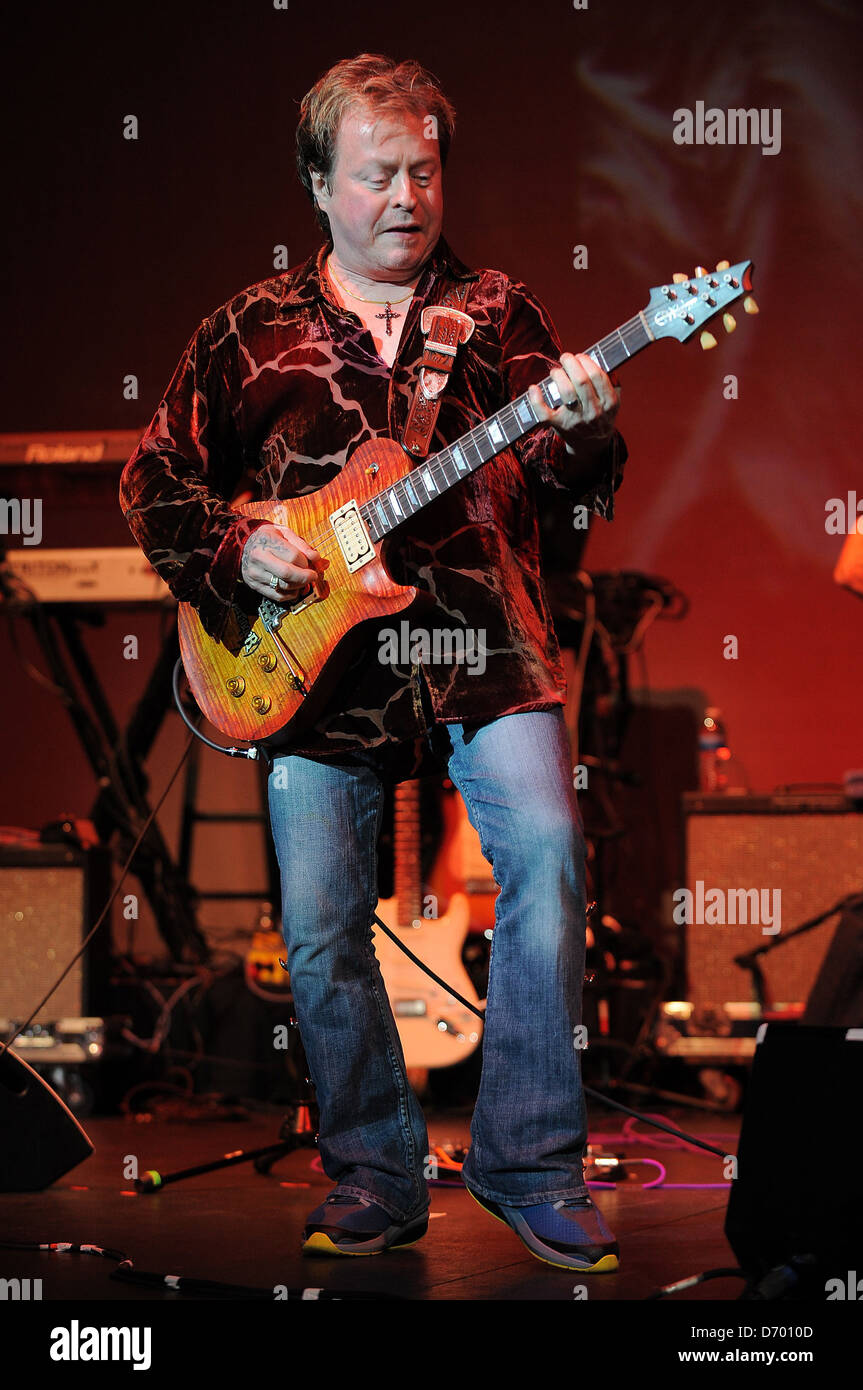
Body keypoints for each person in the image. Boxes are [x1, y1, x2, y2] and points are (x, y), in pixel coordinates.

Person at [120, 53, 627, 1273]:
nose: (406, 195)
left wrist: (586, 428)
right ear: (317, 183)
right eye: (377, 173)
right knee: (317, 931)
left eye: (424, 169)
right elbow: (154, 482)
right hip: (310, 668)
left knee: (550, 867)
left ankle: (530, 1164)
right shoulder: (247, 329)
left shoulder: (497, 314)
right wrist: (236, 551)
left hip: (481, 640)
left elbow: (567, 496)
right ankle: (370, 1174)